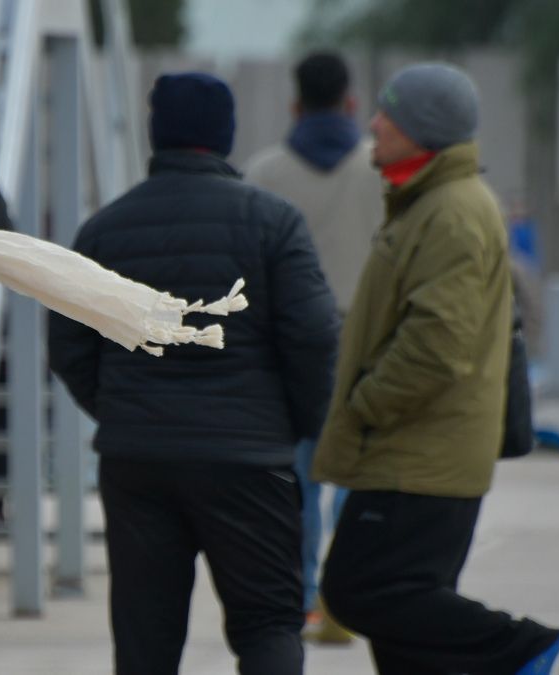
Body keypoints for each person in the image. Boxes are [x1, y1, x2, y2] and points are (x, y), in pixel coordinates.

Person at [48, 72, 339, 675]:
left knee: (145, 641)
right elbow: (313, 337)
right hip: (249, 459)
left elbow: (69, 343)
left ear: (157, 136)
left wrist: (122, 409)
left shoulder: (103, 231)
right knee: (267, 626)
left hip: (138, 461)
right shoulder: (274, 222)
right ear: (225, 135)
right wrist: (298, 425)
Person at [314, 62, 559, 675]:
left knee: (360, 591)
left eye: (390, 115)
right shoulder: (427, 202)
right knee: (407, 635)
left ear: (423, 131)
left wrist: (365, 404)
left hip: (417, 455)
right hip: (416, 450)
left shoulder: (452, 211)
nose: (374, 124)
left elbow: (439, 342)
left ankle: (534, 648)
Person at [244, 50, 382, 644]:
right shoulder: (381, 168)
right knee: (356, 475)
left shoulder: (264, 173)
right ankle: (346, 597)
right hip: (366, 341)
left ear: (294, 104)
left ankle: (301, 601)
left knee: (299, 478)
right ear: (352, 102)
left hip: (290, 345)